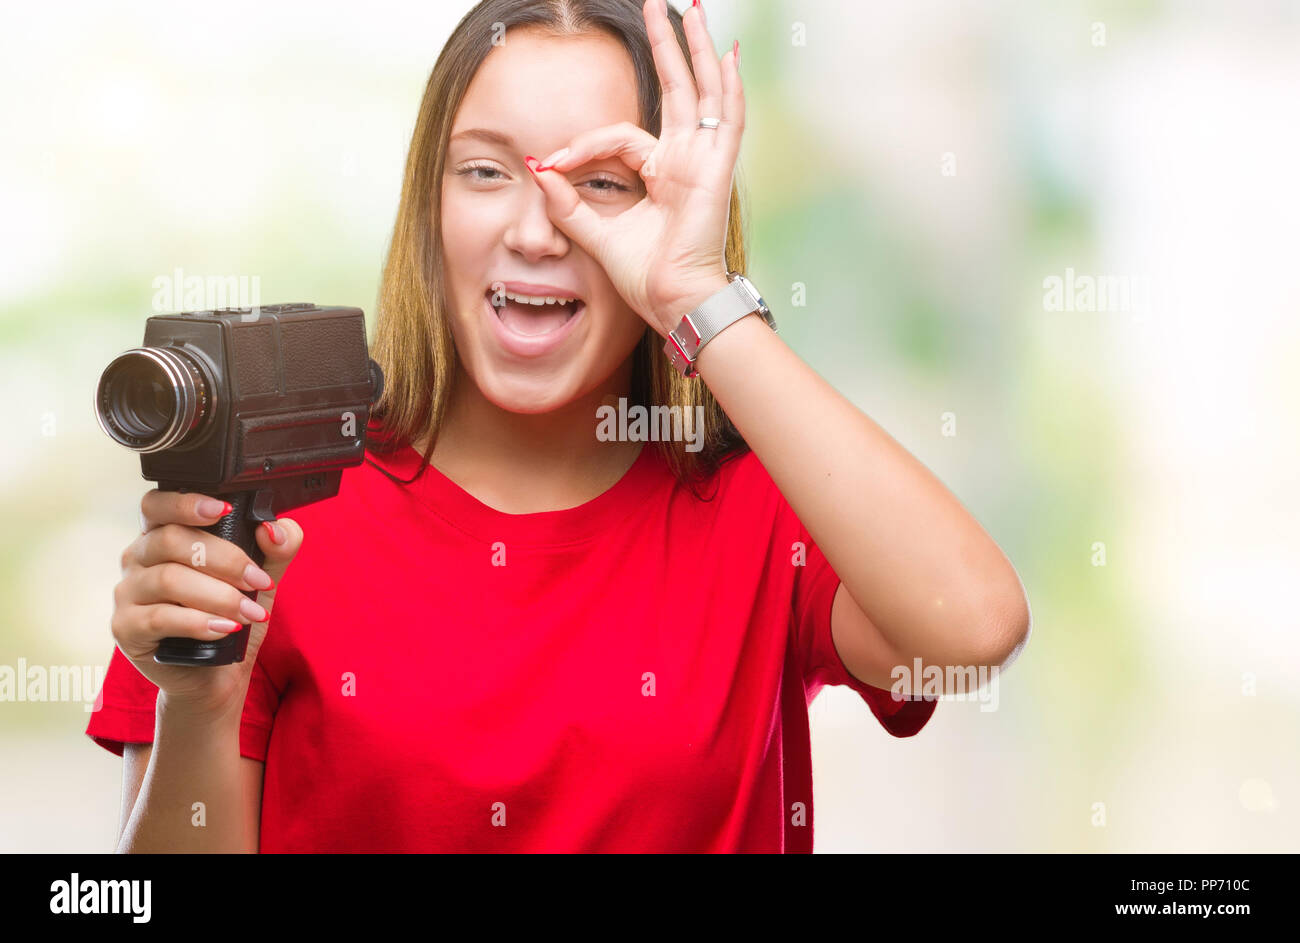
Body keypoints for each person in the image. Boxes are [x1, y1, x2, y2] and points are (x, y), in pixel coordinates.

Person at [87, 0, 1030, 853]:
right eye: (486, 170)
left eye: (604, 184)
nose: (537, 232)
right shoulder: (273, 516)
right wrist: (201, 706)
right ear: (431, 206)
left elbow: (972, 629)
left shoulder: (762, 507)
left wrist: (695, 297)